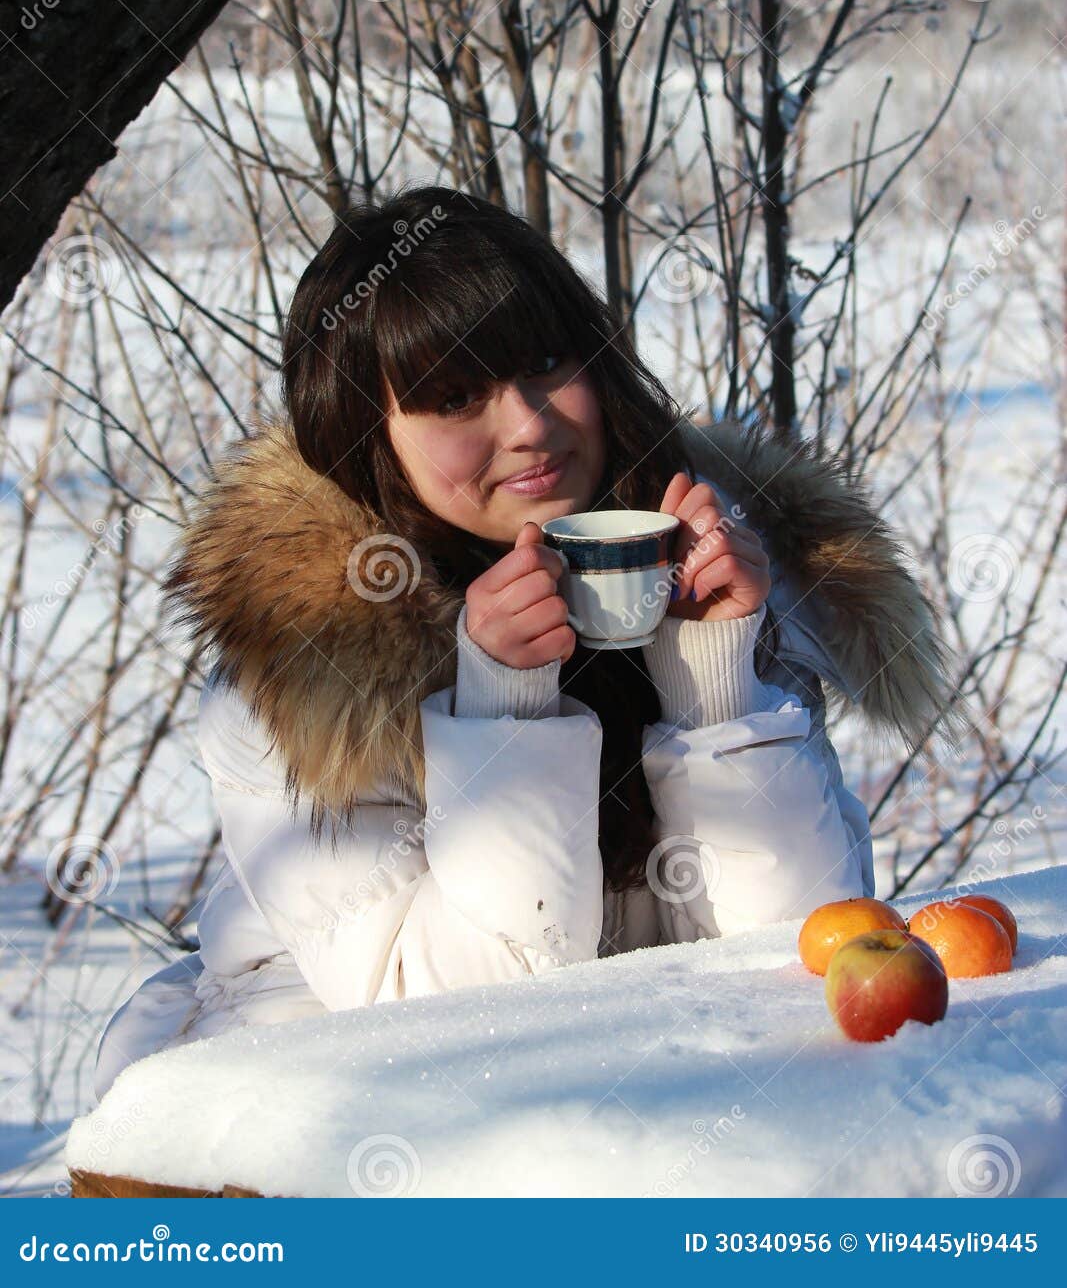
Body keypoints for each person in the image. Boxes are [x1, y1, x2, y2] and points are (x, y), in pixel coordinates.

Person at [93, 185, 964, 1102]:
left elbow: (797, 959)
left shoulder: (725, 566)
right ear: (367, 438)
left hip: (645, 1111)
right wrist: (502, 709)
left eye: (548, 362)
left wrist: (716, 683)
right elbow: (469, 1028)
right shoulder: (310, 663)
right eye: (454, 397)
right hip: (337, 1133)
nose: (529, 426)